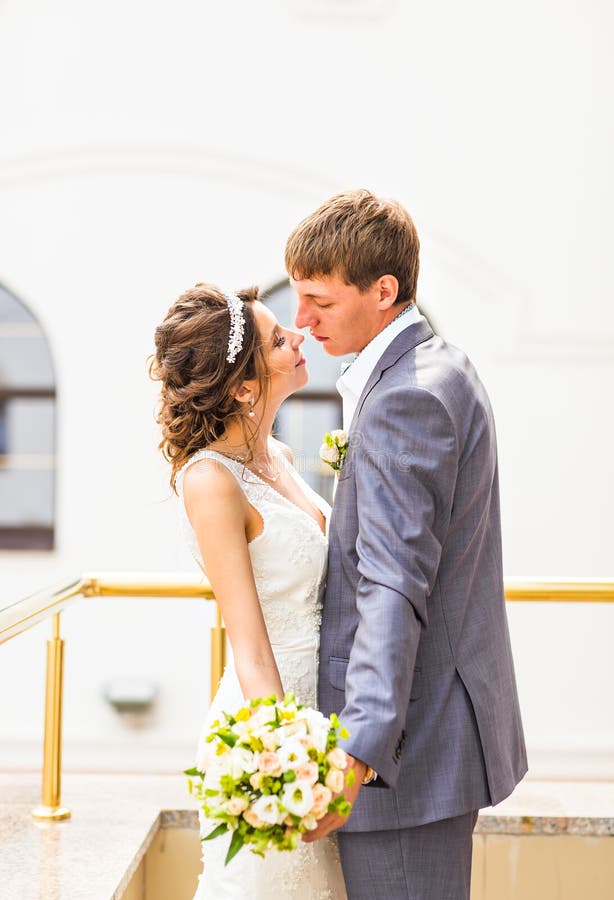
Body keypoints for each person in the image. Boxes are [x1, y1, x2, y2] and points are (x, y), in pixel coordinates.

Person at [285, 189, 528, 900]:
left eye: (318, 300)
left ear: (383, 289)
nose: (303, 320)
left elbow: (391, 585)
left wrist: (357, 751)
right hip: (430, 737)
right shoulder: (436, 366)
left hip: (407, 756)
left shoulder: (406, 399)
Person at [150, 283, 348, 899]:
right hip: (269, 732)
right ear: (242, 386)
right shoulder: (209, 481)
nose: (299, 336)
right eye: (277, 339)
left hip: (322, 709)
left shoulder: (281, 455)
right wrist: (293, 766)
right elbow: (251, 648)